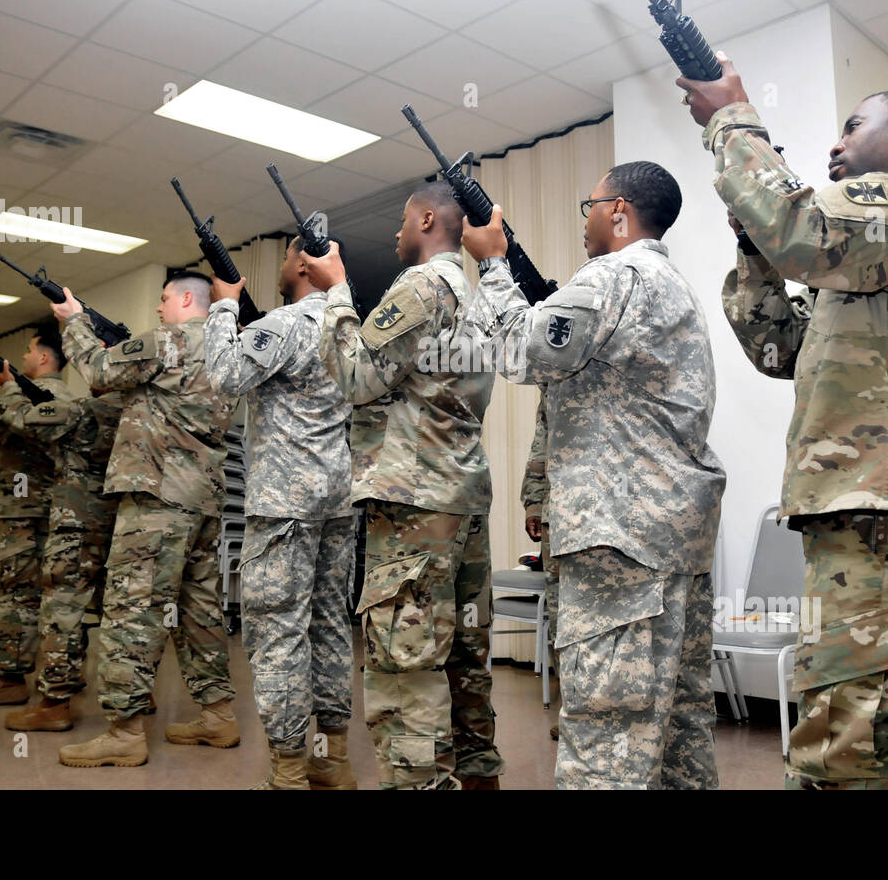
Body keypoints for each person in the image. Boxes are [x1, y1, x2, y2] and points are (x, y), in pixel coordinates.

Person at [680, 55, 888, 789]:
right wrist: (754, 251)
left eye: (853, 126)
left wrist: (732, 115)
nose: (835, 144)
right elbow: (778, 348)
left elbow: (805, 230)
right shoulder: (874, 260)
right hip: (884, 509)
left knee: (854, 753)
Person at [460, 161, 726, 790]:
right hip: (672, 541)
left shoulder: (616, 275)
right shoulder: (671, 284)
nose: (586, 219)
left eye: (590, 204)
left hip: (620, 543)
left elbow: (521, 352)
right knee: (678, 728)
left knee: (606, 733)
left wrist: (495, 263)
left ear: (618, 211)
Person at [303, 183, 503, 790]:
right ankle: (477, 778)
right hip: (459, 497)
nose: (394, 234)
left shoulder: (421, 286)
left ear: (426, 219)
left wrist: (335, 292)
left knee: (404, 661)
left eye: (400, 222)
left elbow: (360, 377)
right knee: (464, 657)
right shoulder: (476, 294)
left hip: (415, 503)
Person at [53, 270, 238, 768]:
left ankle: (125, 730)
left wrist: (74, 322)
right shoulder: (228, 348)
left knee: (133, 607)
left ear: (185, 299)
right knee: (200, 611)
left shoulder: (168, 340)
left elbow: (99, 372)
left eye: (163, 299)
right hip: (204, 498)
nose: (158, 309)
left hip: (157, 495)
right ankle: (218, 714)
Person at [203, 238, 357, 790]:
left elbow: (223, 376)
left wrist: (223, 304)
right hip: (337, 499)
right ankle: (333, 760)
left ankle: (289, 770)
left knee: (277, 632)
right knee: (331, 624)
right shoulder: (347, 323)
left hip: (284, 504)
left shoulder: (289, 323)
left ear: (299, 263)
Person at [0, 327, 125, 732]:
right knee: (118, 610)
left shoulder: (87, 410)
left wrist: (12, 386)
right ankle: (139, 694)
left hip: (76, 526)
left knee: (61, 610)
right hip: (117, 523)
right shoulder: (136, 410)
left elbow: (22, 420)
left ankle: (54, 703)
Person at [0, 329, 71, 707]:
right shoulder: (71, 398)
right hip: (61, 511)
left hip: (23, 512)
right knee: (61, 596)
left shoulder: (20, 402)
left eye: (28, 350)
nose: (23, 357)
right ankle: (66, 675)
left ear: (43, 359)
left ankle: (11, 678)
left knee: (16, 596)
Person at [520, 390, 559, 740]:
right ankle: (573, 708)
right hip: (558, 514)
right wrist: (533, 501)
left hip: (610, 517)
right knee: (561, 619)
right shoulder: (553, 374)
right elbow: (541, 438)